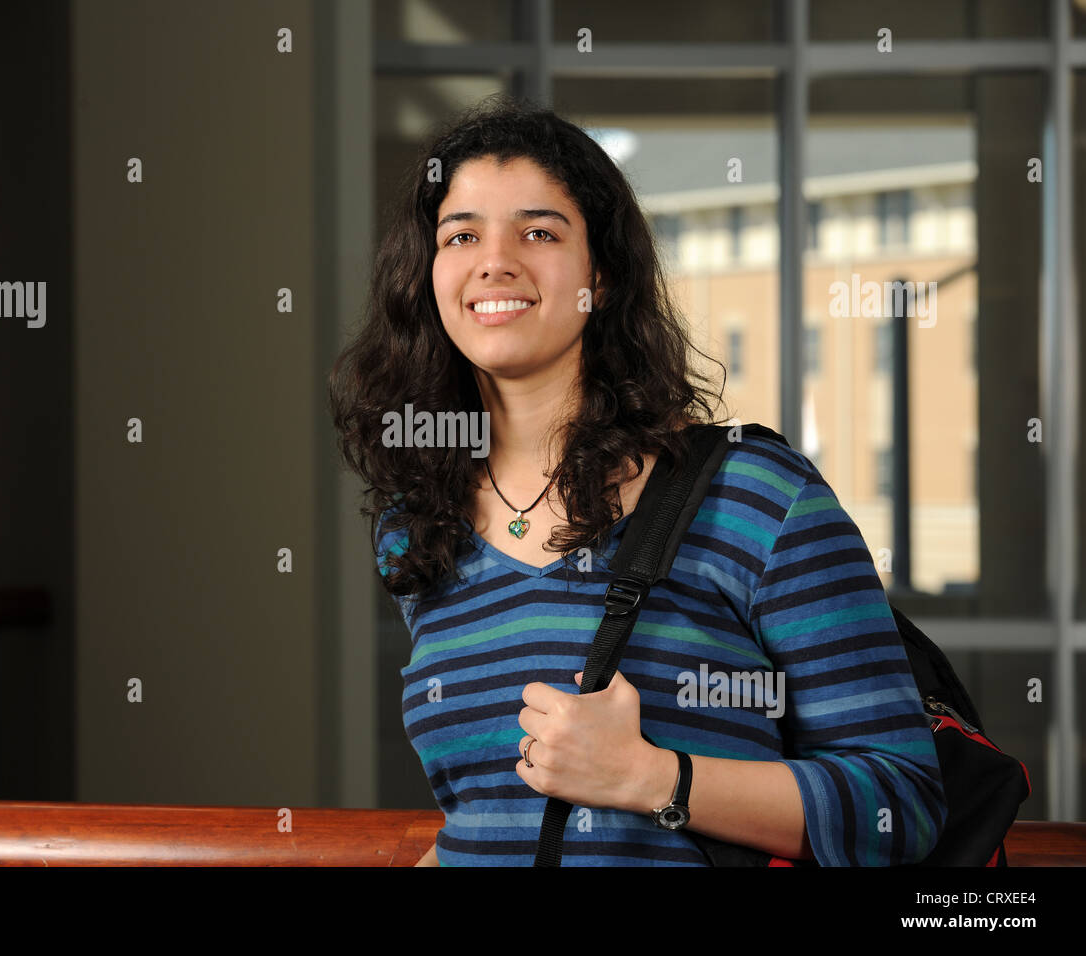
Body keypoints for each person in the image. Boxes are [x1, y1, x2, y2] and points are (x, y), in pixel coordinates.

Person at [328, 94, 946, 867]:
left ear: (605, 276)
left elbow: (903, 806)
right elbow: (489, 820)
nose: (495, 260)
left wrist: (652, 777)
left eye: (539, 231)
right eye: (462, 234)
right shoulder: (419, 526)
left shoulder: (755, 495)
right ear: (429, 275)